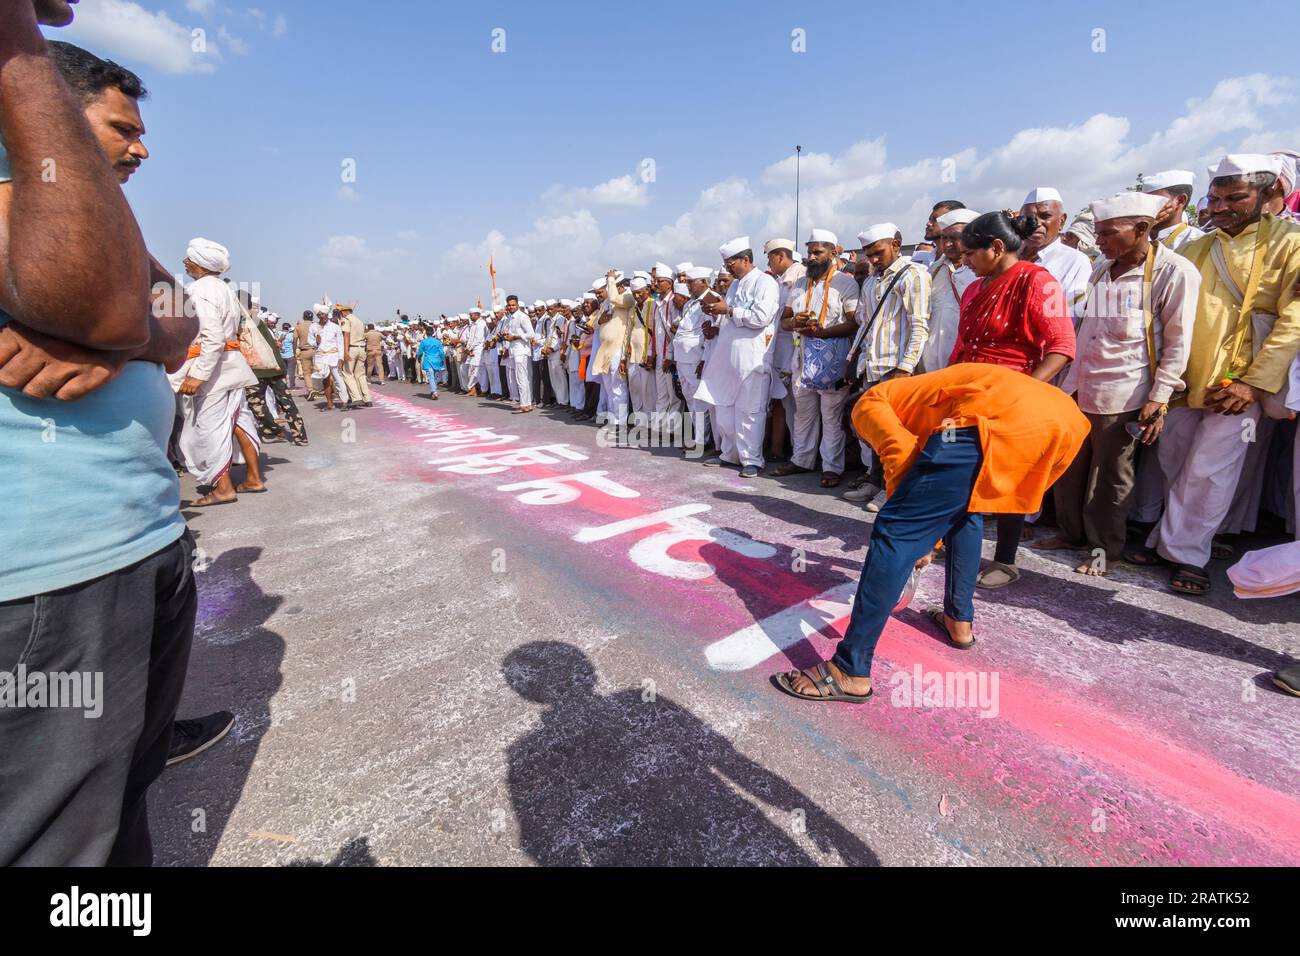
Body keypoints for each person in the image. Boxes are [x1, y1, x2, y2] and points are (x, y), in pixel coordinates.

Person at [0, 21, 203, 865]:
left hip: (133, 545)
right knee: (58, 841)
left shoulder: (98, 217)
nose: (141, 150)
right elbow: (125, 306)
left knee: (117, 807)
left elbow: (175, 318)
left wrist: (116, 329)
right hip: (48, 576)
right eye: (122, 130)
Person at [774, 364, 1088, 704]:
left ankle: (849, 670)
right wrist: (933, 534)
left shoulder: (869, 403)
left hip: (993, 423)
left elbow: (901, 458)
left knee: (894, 531)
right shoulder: (925, 395)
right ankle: (958, 621)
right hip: (1064, 424)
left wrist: (922, 541)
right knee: (967, 511)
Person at [1132, 154, 1300, 596]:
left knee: (1211, 470)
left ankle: (1188, 555)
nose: (1221, 206)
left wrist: (1255, 382)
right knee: (1174, 459)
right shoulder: (1197, 244)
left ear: (1266, 197)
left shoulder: (1291, 242)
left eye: (1234, 198)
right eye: (1216, 197)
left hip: (1237, 380)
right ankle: (1166, 539)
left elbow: (1293, 318)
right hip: (1187, 376)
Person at [1041, 192, 1196, 573]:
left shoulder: (1173, 273)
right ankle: (1070, 533)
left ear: (1141, 229)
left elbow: (1178, 342)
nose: (1100, 241)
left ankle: (1103, 550)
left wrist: (1158, 398)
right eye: (1098, 233)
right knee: (1069, 467)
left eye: (1109, 233)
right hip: (1082, 386)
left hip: (1126, 392)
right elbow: (1087, 332)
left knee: (1111, 477)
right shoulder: (1099, 270)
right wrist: (1067, 388)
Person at [949, 209, 1077, 588]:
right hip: (970, 390)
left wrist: (1024, 390)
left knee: (1008, 479)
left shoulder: (1039, 282)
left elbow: (1062, 346)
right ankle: (955, 542)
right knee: (960, 472)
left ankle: (1005, 561)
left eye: (971, 254)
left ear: (997, 246)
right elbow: (962, 346)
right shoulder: (974, 288)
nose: (965, 261)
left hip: (1014, 392)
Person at [842, 223, 931, 511]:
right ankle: (875, 482)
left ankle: (894, 491)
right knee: (875, 432)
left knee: (897, 435)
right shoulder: (870, 281)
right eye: (869, 255)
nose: (874, 259)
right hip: (871, 366)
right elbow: (865, 326)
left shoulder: (913, 274)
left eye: (878, 252)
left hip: (896, 369)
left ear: (896, 244)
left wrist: (905, 368)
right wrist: (853, 359)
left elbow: (919, 326)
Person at [172, 239, 265, 506]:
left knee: (208, 429)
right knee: (238, 422)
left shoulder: (198, 290)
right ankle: (254, 478)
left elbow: (212, 337)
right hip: (232, 366)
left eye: (188, 259)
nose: (184, 263)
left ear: (198, 263)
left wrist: (198, 374)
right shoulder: (225, 289)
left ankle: (223, 488)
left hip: (213, 372)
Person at [769, 230, 858, 486]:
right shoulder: (799, 284)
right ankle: (801, 459)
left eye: (818, 252)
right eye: (809, 252)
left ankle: (831, 467)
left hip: (832, 357)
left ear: (833, 253)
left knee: (831, 414)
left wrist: (823, 331)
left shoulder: (846, 283)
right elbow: (785, 320)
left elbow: (853, 324)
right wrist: (794, 322)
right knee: (803, 413)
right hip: (802, 356)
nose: (811, 257)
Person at [696, 237, 781, 478]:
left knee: (750, 411)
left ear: (745, 259)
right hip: (727, 358)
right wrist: (715, 310)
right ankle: (729, 454)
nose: (727, 267)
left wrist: (730, 310)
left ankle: (752, 459)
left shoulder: (766, 282)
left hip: (752, 359)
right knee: (725, 409)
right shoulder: (734, 286)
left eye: (730, 262)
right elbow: (727, 317)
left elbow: (760, 318)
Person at [244, 298, 308, 446]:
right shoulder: (258, 320)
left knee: (255, 402)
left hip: (261, 370)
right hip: (276, 368)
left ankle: (272, 429)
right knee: (286, 402)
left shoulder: (245, 322)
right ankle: (300, 436)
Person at [763, 239, 805, 461]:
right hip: (781, 352)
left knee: (799, 408)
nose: (769, 263)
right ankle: (791, 452)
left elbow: (794, 320)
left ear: (780, 256)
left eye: (770, 258)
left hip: (794, 352)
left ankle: (800, 455)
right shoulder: (781, 280)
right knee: (786, 404)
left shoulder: (799, 278)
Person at [1142, 169, 1206, 252]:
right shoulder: (1138, 238)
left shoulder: (1198, 241)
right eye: (1144, 201)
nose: (1147, 206)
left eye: (1155, 201)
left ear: (1180, 201)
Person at [310, 307, 348, 410]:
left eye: (322, 314)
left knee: (338, 379)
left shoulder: (335, 327)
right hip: (320, 357)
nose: (321, 316)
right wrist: (316, 342)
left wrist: (341, 358)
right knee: (325, 381)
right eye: (319, 315)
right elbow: (310, 342)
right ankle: (330, 404)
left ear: (327, 315)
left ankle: (344, 402)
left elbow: (340, 344)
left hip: (334, 356)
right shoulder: (313, 327)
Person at [337, 306, 371, 408]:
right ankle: (367, 399)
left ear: (345, 312)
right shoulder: (359, 321)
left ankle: (356, 398)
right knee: (360, 375)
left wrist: (346, 351)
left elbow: (346, 335)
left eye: (341, 312)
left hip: (352, 348)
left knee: (347, 373)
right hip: (361, 348)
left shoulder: (347, 320)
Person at [416, 323, 445, 399]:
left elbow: (420, 352)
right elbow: (442, 352)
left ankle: (434, 392)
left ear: (426, 332)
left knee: (431, 377)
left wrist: (418, 358)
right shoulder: (438, 342)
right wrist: (442, 359)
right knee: (434, 377)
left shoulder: (424, 342)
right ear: (433, 332)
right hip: (437, 361)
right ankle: (433, 391)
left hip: (428, 361)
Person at [293, 309, 317, 398]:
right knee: (318, 370)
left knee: (306, 373)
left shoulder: (298, 326)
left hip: (304, 351)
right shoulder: (316, 326)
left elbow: (294, 340)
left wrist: (294, 351)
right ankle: (319, 389)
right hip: (315, 351)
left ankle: (310, 390)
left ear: (303, 317)